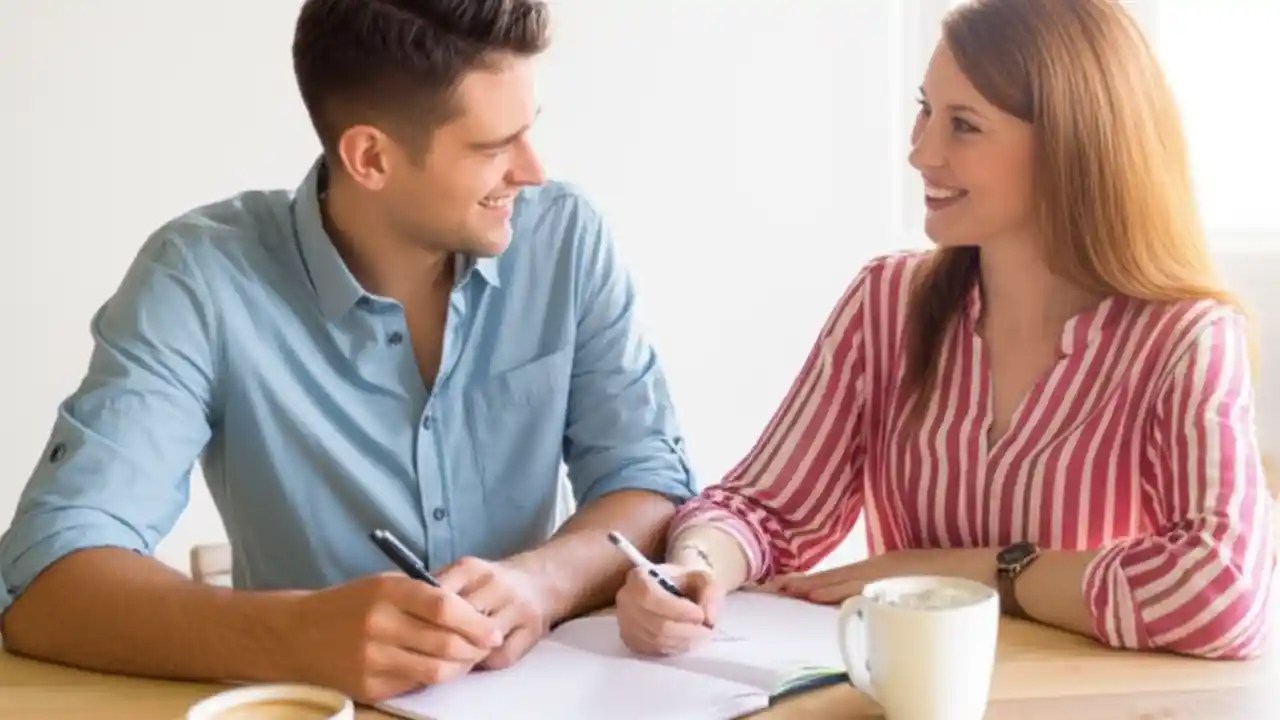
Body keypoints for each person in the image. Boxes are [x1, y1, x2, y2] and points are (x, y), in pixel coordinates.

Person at [0, 0, 697, 704]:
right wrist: (292, 634)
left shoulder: (563, 241)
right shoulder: (202, 277)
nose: (533, 171)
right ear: (371, 157)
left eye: (529, 133)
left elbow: (649, 479)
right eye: (492, 148)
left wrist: (542, 582)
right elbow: (44, 578)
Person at [616, 0, 1275, 661]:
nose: (920, 151)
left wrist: (986, 571)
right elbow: (764, 509)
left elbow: (1224, 594)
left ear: (1073, 146)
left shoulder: (1187, 339)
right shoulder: (886, 304)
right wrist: (697, 565)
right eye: (925, 109)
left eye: (964, 126)